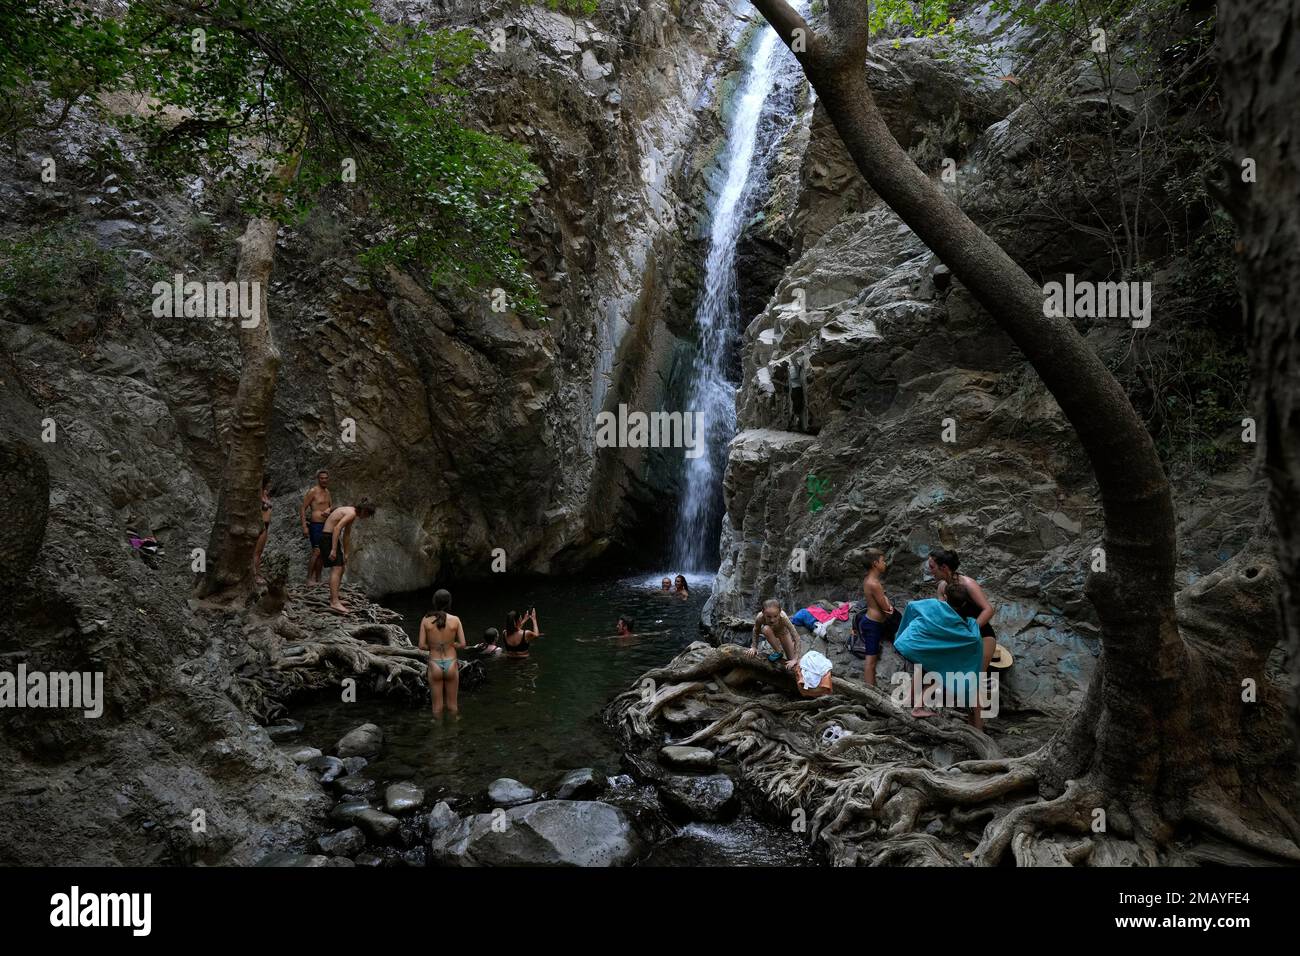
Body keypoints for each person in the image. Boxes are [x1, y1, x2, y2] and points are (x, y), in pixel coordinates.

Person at [893, 584, 985, 728]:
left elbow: (911, 606)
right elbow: (973, 638)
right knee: (940, 674)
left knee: (932, 673)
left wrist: (901, 632)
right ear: (965, 603)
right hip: (919, 648)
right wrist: (973, 623)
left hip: (907, 643)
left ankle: (913, 705)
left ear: (946, 597)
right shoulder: (958, 623)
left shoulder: (934, 605)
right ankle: (916, 707)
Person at [928, 548, 997, 675]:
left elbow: (988, 609)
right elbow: (944, 615)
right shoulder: (942, 587)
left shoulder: (968, 584)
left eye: (932, 567)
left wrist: (970, 630)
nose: (930, 571)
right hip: (959, 637)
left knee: (974, 681)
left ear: (943, 567)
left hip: (982, 636)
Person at [319, 497, 376, 614]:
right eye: (368, 515)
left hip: (330, 538)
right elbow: (336, 529)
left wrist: (346, 553)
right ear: (364, 511)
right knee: (337, 568)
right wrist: (334, 550)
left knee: (341, 567)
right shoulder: (351, 513)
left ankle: (335, 597)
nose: (367, 518)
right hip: (327, 538)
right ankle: (334, 602)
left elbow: (346, 535)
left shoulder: (351, 513)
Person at [419, 589, 466, 717]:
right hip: (451, 663)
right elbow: (462, 644)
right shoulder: (455, 620)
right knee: (453, 706)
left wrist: (433, 646)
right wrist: (451, 644)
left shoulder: (426, 620)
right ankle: (454, 733)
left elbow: (421, 646)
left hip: (435, 663)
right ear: (449, 602)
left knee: (436, 708)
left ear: (434, 602)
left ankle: (438, 734)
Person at [858, 548, 896, 687]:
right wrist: (889, 607)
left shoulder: (869, 579)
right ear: (875, 563)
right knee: (871, 661)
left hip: (873, 621)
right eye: (882, 561)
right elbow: (886, 608)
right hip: (873, 625)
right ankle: (871, 692)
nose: (885, 563)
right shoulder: (874, 584)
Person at [300, 469, 333, 585]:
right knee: (316, 551)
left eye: (326, 478)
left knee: (322, 553)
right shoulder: (313, 491)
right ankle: (309, 579)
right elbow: (303, 508)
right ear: (318, 479)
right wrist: (304, 526)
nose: (324, 480)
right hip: (316, 526)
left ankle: (318, 579)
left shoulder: (328, 492)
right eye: (321, 478)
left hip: (326, 525)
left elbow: (331, 506)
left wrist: (329, 510)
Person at [749, 599, 799, 670]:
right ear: (763, 612)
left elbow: (796, 637)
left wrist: (795, 659)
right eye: (769, 617)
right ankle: (778, 651)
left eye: (775, 616)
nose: (772, 620)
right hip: (770, 633)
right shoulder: (760, 617)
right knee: (765, 629)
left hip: (783, 634)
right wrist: (754, 647)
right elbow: (755, 630)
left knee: (792, 661)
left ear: (780, 612)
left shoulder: (783, 618)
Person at [253, 475, 272, 584]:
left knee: (259, 552)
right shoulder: (256, 494)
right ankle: (256, 576)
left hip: (266, 524)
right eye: (269, 482)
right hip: (260, 523)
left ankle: (257, 573)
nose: (270, 485)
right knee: (256, 552)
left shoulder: (264, 493)